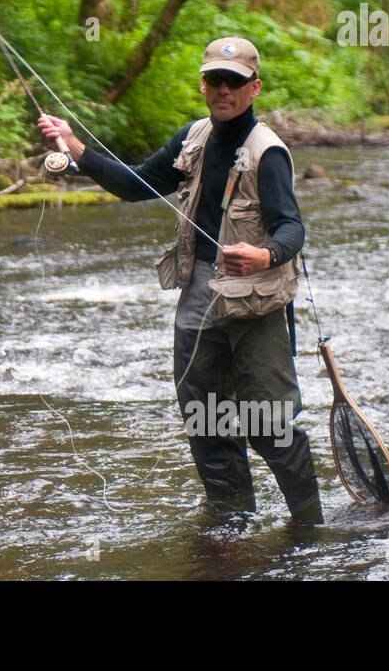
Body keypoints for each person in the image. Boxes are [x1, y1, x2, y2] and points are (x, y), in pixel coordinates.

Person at [37, 36, 324, 524]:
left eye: (234, 82)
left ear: (254, 88)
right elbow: (134, 184)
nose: (223, 90)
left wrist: (264, 254)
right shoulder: (192, 138)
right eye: (214, 80)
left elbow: (292, 226)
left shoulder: (268, 151)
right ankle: (231, 526)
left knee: (270, 425)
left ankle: (310, 527)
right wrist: (76, 147)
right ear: (203, 84)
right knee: (206, 421)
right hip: (199, 299)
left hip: (257, 308)